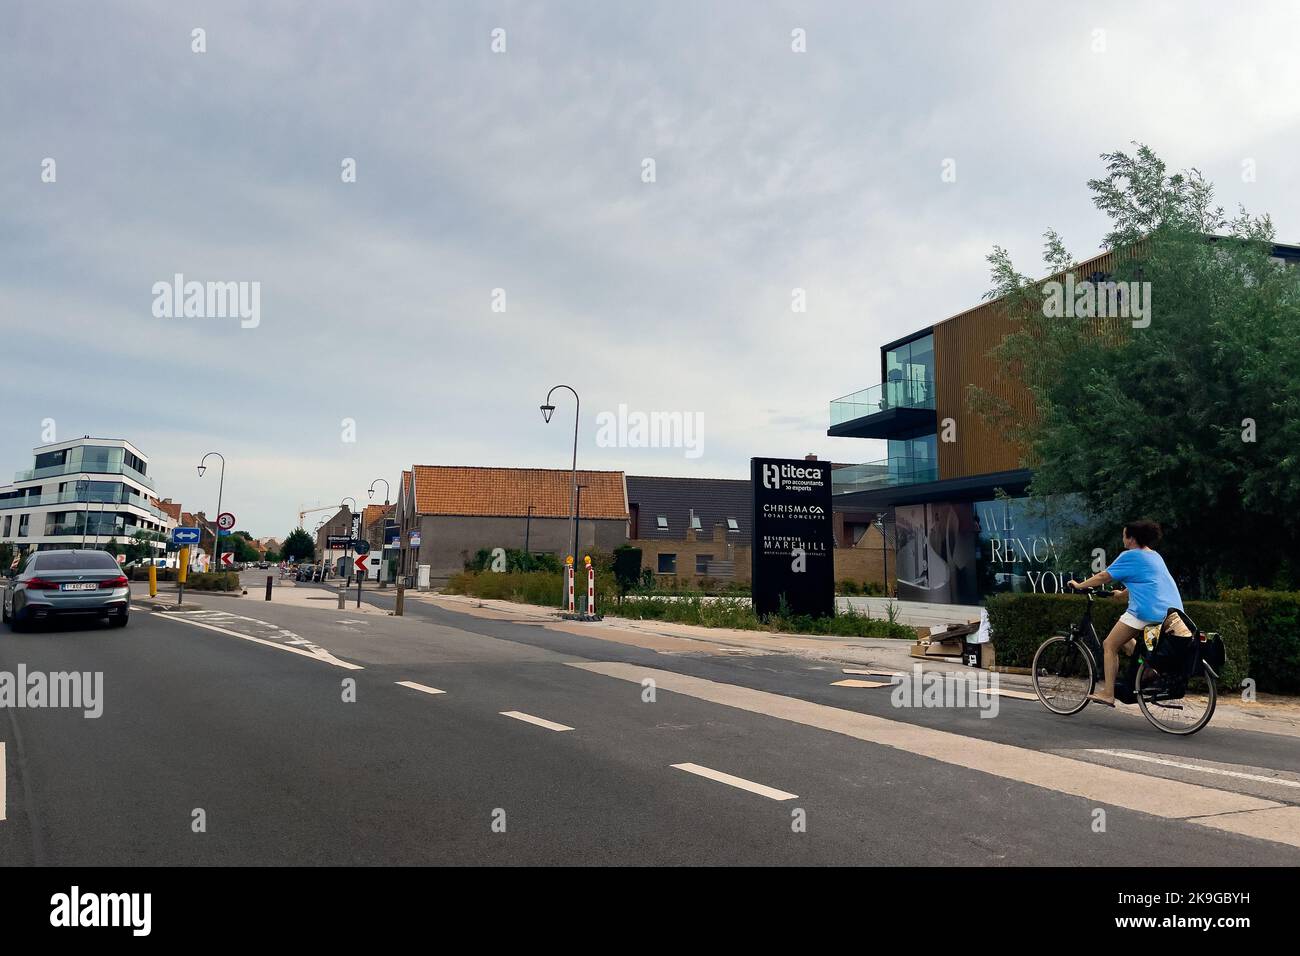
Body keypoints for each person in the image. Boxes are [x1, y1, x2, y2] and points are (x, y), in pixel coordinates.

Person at [1067, 520, 1184, 707]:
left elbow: (1104, 576)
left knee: (1110, 644)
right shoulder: (1154, 556)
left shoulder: (1130, 555)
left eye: (1124, 535)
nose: (1122, 539)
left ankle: (1108, 693)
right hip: (1172, 612)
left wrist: (1079, 585)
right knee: (1128, 642)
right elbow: (1147, 581)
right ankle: (1147, 669)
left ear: (1131, 539)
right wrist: (1122, 594)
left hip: (1147, 611)